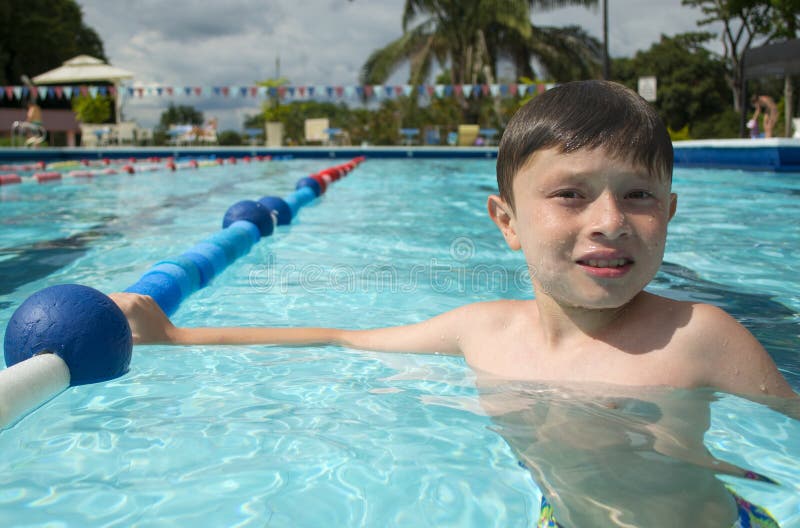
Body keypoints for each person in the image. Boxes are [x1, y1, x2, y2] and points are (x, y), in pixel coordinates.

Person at [111, 80, 797, 526]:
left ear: (669, 213)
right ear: (506, 220)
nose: (610, 221)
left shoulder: (699, 337)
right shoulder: (484, 331)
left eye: (639, 195)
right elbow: (343, 340)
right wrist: (173, 336)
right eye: (570, 194)